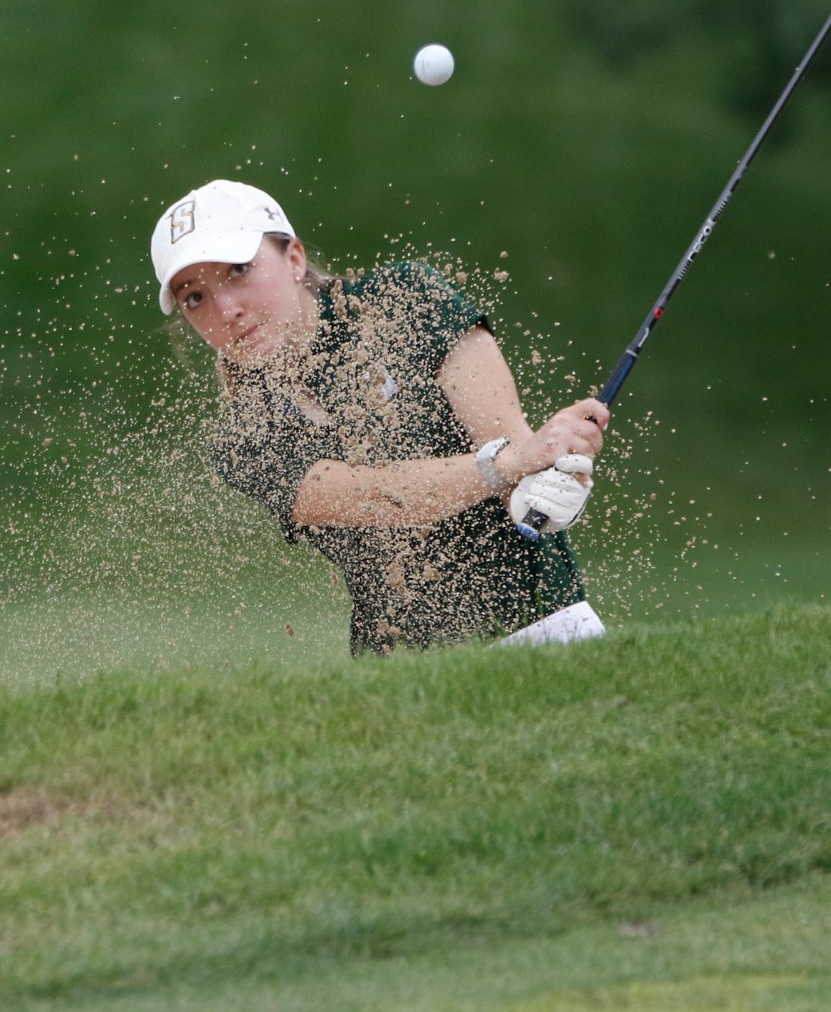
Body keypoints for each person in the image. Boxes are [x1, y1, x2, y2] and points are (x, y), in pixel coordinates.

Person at [151, 178, 610, 655]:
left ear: (294, 259)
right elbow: (371, 496)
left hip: (542, 626)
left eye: (239, 270)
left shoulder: (405, 297)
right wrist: (506, 465)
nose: (226, 309)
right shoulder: (243, 435)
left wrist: (548, 483)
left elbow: (511, 444)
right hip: (399, 667)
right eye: (194, 297)